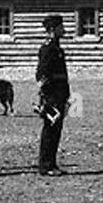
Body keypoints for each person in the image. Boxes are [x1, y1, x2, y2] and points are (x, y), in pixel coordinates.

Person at [35, 14, 69, 175]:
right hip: (52, 95)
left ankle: (52, 163)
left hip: (60, 93)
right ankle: (45, 165)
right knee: (50, 129)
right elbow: (41, 74)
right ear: (52, 29)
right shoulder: (47, 48)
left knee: (56, 130)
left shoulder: (56, 48)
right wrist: (47, 97)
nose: (63, 29)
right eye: (60, 27)